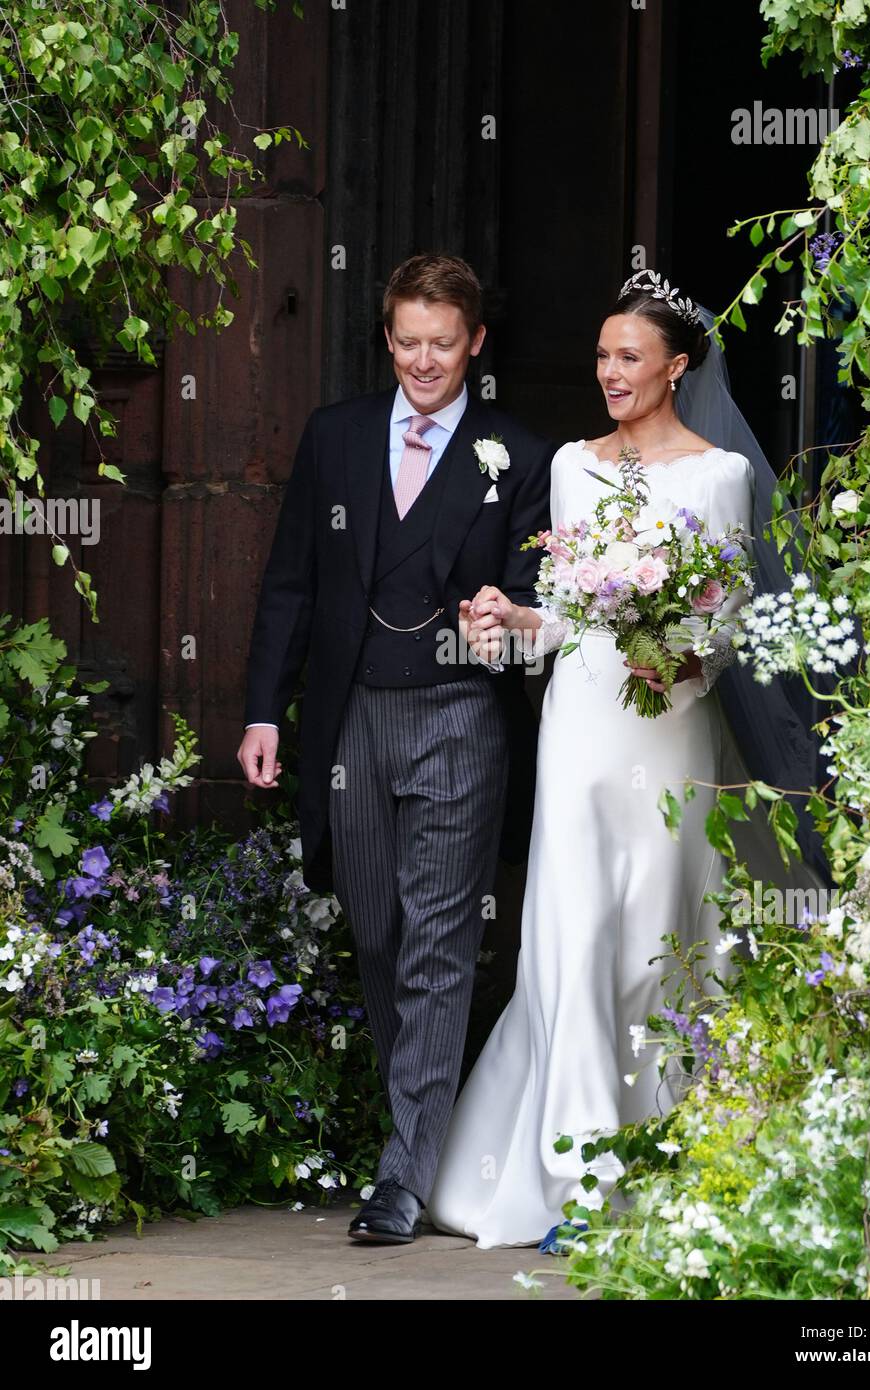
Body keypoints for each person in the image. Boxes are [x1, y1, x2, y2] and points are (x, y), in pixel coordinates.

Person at [424, 268, 822, 1250]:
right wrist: (508, 619)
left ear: (675, 367)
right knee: (573, 940)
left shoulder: (718, 477)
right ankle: (576, 1176)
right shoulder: (570, 466)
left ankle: (670, 1154)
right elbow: (556, 616)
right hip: (581, 729)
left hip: (670, 723)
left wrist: (678, 650)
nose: (607, 371)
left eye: (628, 356)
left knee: (653, 944)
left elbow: (723, 624)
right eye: (600, 354)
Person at [238, 253, 553, 1244]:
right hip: (353, 720)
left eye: (443, 344)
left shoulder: (520, 454)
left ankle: (404, 1177)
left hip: (460, 715)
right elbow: (291, 580)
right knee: (375, 931)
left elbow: (527, 607)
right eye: (407, 341)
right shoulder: (335, 437)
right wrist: (261, 711)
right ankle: (426, 1137)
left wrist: (499, 618)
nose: (423, 362)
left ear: (475, 344)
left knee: (435, 943)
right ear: (388, 336)